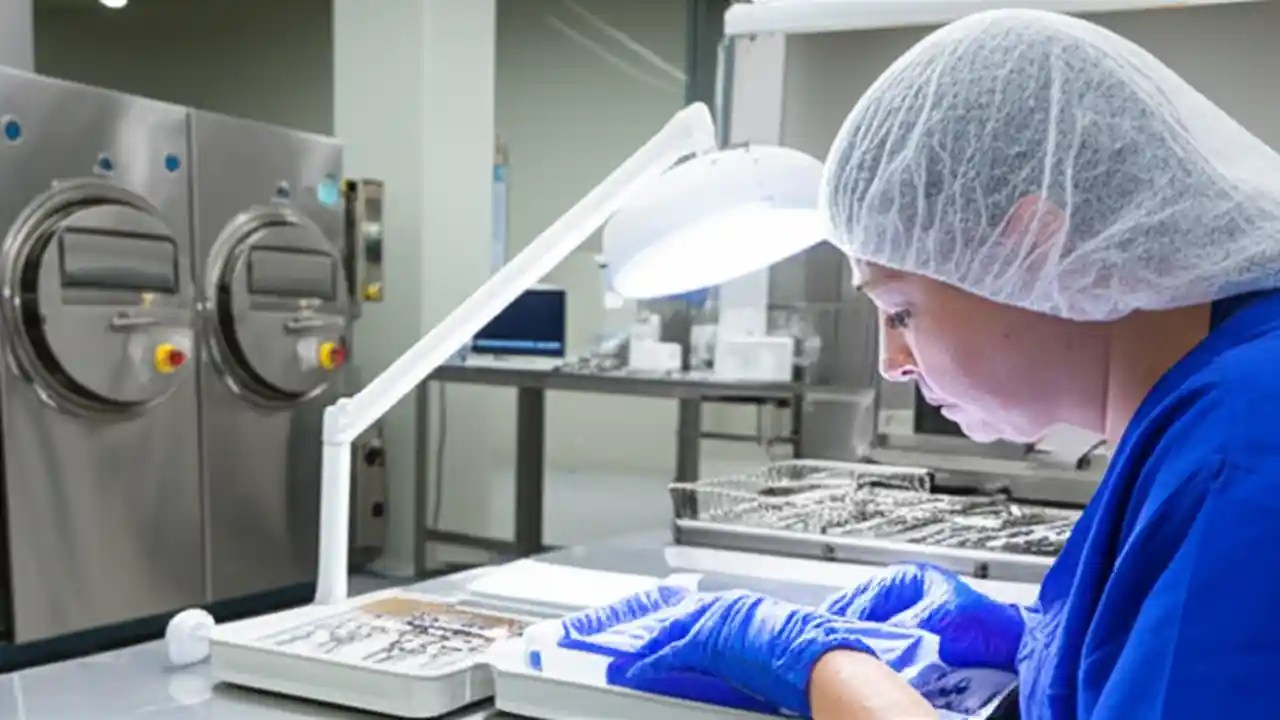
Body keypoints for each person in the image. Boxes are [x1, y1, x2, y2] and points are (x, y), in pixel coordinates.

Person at [575, 7, 1280, 719]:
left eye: (902, 311)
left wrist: (830, 671)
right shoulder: (1215, 399)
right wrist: (1037, 647)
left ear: (1030, 248)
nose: (891, 362)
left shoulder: (1237, 455)